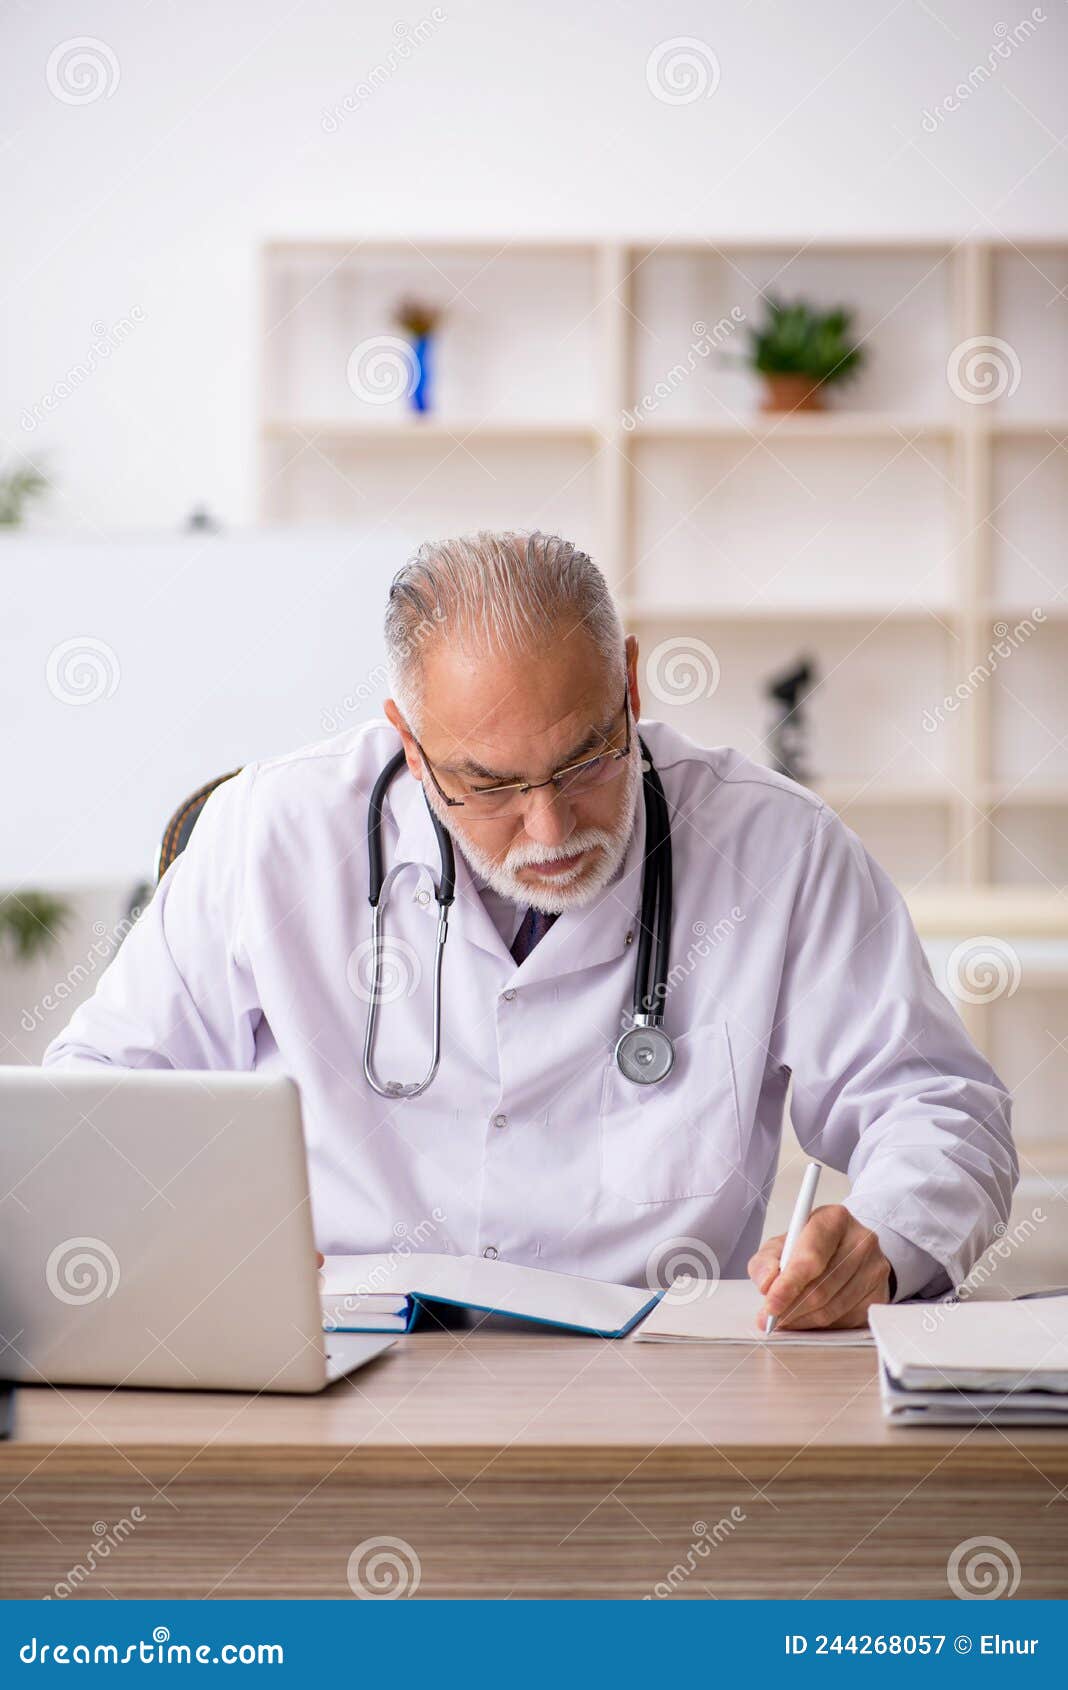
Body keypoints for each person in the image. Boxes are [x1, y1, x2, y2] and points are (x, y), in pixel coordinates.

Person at [44, 530, 1016, 1330]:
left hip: (662, 1385)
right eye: (491, 785)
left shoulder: (777, 847)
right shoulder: (271, 835)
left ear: (630, 685)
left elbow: (937, 1103)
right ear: (409, 742)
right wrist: (204, 1243)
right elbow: (93, 1105)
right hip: (337, 1364)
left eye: (587, 761)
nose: (550, 831)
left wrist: (883, 1240)